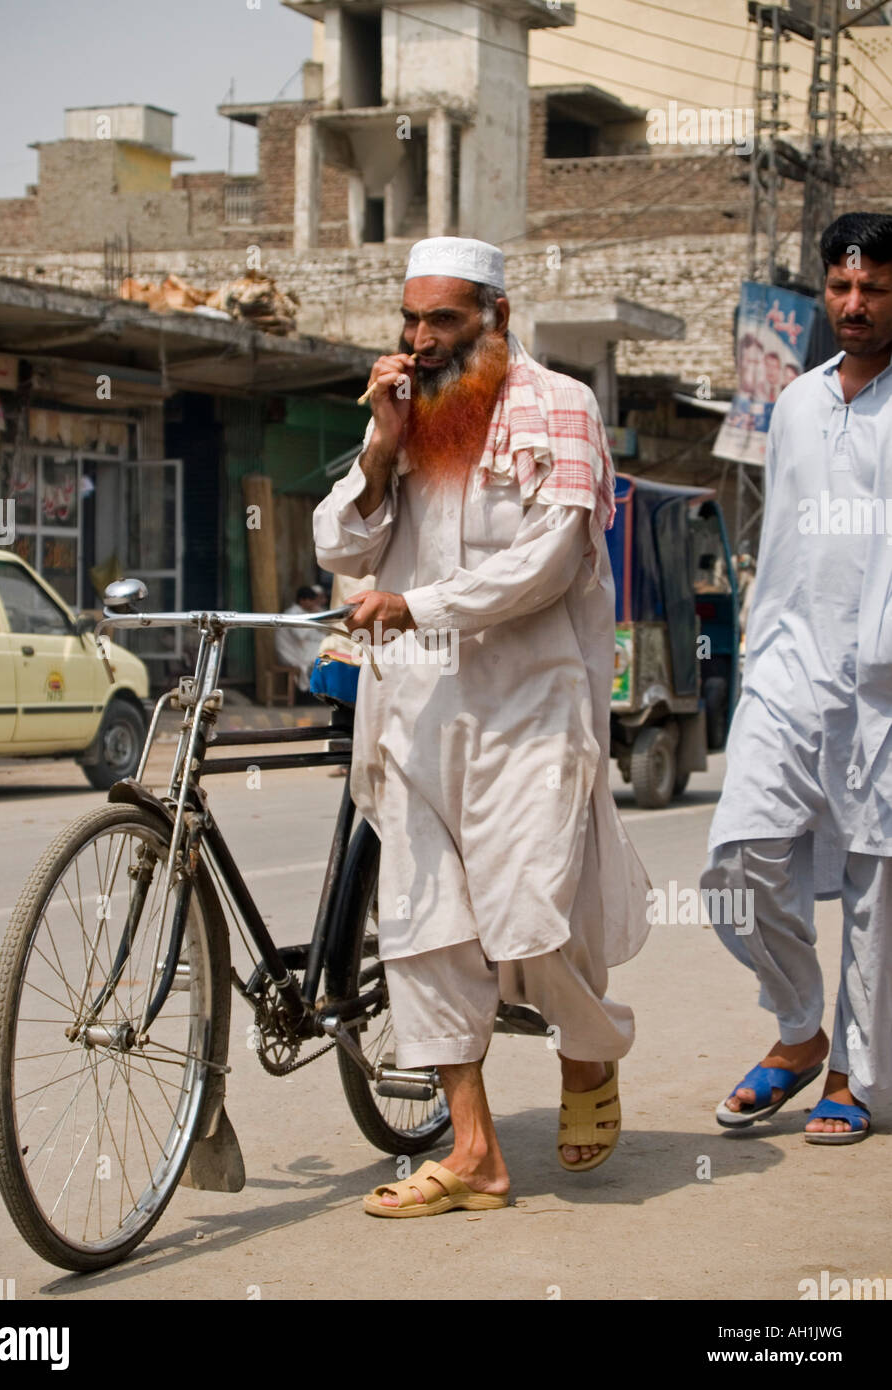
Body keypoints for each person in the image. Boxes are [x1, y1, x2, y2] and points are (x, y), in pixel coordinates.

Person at [313, 235, 652, 1216]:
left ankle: (588, 1051)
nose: (419, 341)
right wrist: (378, 448)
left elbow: (548, 561)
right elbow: (340, 543)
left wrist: (417, 606)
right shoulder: (406, 414)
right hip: (413, 712)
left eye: (443, 321)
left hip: (529, 711)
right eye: (409, 321)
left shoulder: (562, 408)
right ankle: (473, 1156)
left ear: (496, 318)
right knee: (422, 929)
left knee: (530, 924)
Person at [700, 211, 892, 1145]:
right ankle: (800, 1028)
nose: (854, 305)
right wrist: (757, 655)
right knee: (740, 856)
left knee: (874, 882)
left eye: (875, 290)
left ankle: (853, 1071)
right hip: (788, 667)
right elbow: (779, 544)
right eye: (843, 288)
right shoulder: (800, 402)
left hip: (886, 687)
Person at [275, 584, 326, 691]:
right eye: (311, 600)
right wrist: (312, 617)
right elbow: (300, 635)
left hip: (297, 649)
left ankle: (318, 688)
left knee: (325, 647)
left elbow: (314, 634)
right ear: (302, 600)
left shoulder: (302, 613)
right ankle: (316, 690)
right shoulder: (292, 614)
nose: (313, 603)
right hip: (290, 653)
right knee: (323, 653)